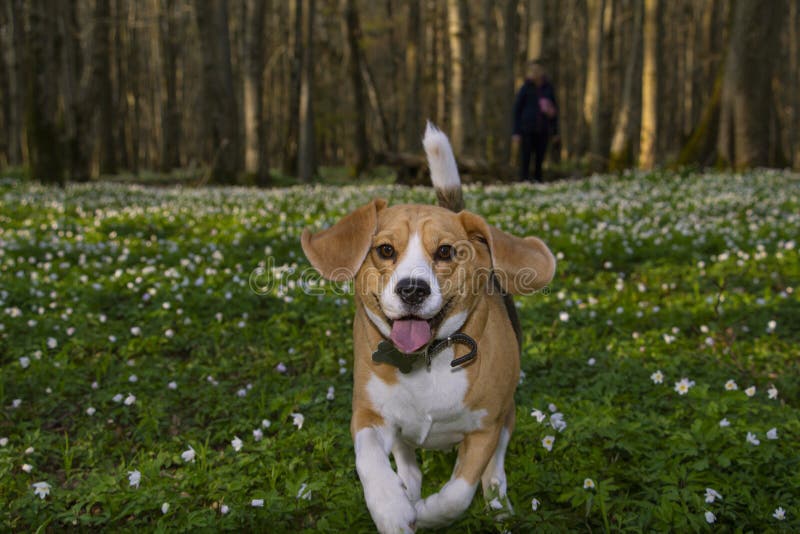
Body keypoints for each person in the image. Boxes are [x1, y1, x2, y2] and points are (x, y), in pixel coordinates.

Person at [512, 60, 558, 183]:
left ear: (542, 71)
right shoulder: (525, 88)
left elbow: (554, 110)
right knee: (525, 157)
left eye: (537, 70)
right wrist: (516, 132)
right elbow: (517, 110)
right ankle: (523, 182)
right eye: (532, 70)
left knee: (540, 158)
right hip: (526, 128)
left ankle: (538, 181)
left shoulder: (548, 88)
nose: (535, 73)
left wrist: (555, 131)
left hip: (543, 128)